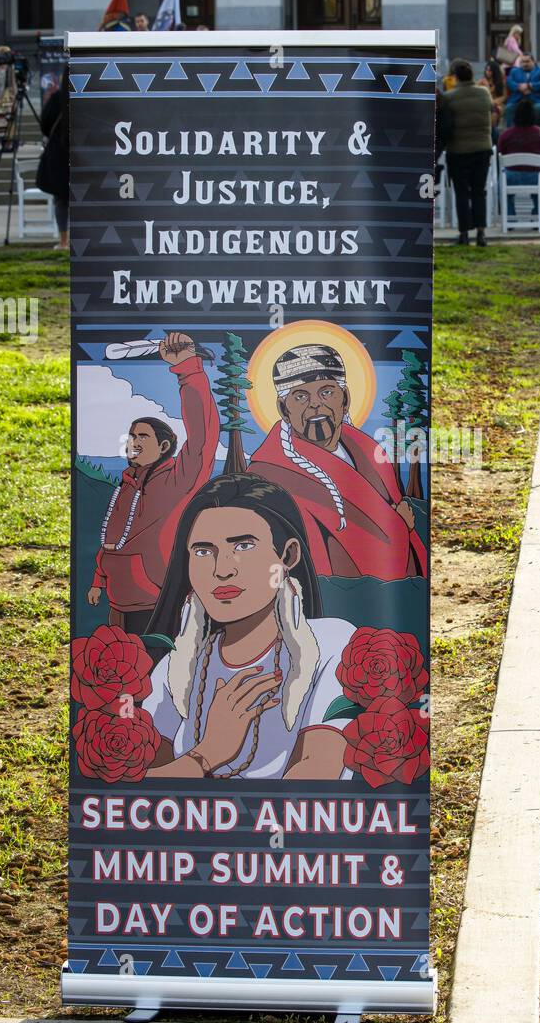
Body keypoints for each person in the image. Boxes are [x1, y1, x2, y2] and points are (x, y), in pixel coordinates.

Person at [143, 475, 357, 780]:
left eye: (243, 545)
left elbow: (317, 777)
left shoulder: (331, 645)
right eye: (203, 551)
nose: (222, 569)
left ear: (288, 555)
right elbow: (139, 791)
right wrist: (210, 753)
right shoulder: (175, 666)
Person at [248, 342, 428, 578]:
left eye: (326, 391)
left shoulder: (370, 452)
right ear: (283, 408)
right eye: (300, 396)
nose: (315, 404)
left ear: (345, 399)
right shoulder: (267, 476)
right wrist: (399, 525)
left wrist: (402, 526)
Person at [87, 333, 221, 634]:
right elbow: (112, 538)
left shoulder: (176, 481)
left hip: (157, 606)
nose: (133, 442)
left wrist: (188, 369)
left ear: (163, 447)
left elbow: (202, 438)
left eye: (142, 437)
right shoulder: (126, 484)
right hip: (117, 605)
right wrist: (99, 581)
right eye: (132, 436)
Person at [442, 57, 493, 246]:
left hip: (458, 151)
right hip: (482, 148)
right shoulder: (484, 93)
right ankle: (481, 233)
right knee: (479, 191)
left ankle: (464, 233)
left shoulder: (449, 97)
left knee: (462, 193)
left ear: (455, 77)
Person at [498, 98, 540, 218]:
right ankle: (538, 213)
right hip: (536, 176)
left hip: (511, 177)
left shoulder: (505, 135)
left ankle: (509, 216)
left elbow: (501, 155)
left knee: (502, 179)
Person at [37, 64, 69, 249]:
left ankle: (64, 240)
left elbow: (45, 124)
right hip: (80, 154)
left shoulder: (57, 98)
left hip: (58, 154)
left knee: (61, 201)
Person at [505, 52, 540, 124]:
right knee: (509, 108)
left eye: (527, 61)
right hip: (518, 99)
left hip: (536, 100)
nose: (525, 64)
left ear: (533, 61)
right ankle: (512, 132)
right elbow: (509, 82)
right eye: (523, 62)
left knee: (538, 109)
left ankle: (535, 131)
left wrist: (530, 86)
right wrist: (519, 87)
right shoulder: (514, 71)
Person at [478, 57, 508, 138]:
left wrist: (493, 102)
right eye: (486, 70)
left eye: (490, 70)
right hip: (485, 103)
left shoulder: (501, 82)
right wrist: (487, 86)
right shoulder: (481, 82)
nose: (488, 72)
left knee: (494, 112)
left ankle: (493, 134)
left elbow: (504, 96)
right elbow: (480, 95)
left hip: (497, 104)